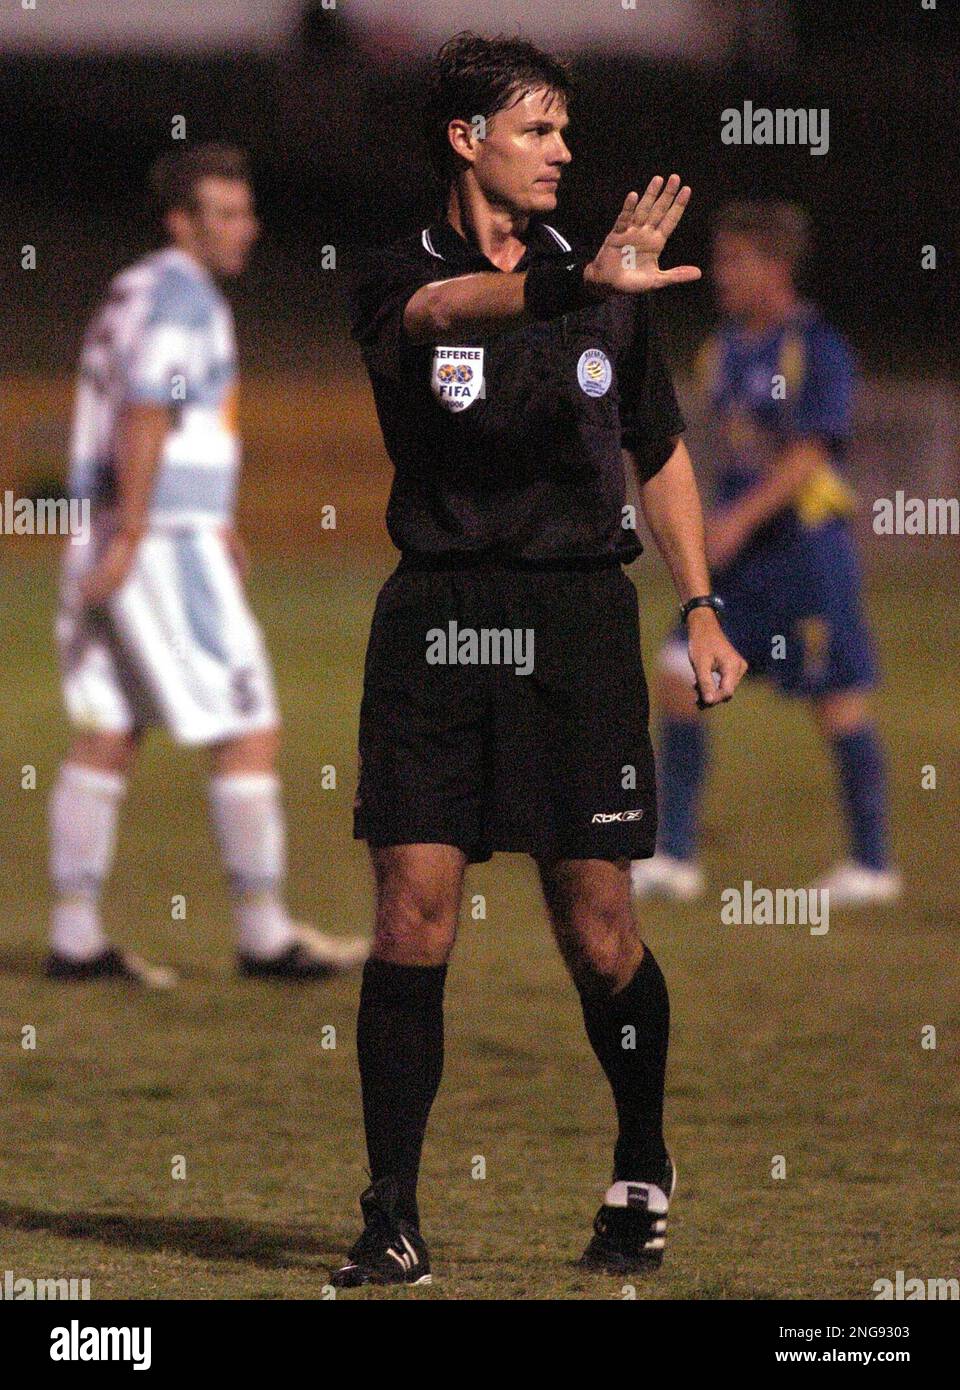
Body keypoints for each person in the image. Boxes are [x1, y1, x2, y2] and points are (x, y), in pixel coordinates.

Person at [332, 32, 746, 1286]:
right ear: (468, 142)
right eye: (538, 130)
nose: (565, 150)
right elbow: (449, 311)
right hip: (439, 623)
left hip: (577, 625)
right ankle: (392, 1214)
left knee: (601, 931)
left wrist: (702, 603)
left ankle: (638, 1168)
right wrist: (586, 288)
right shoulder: (398, 266)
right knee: (410, 913)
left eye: (567, 130)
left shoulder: (607, 281)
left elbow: (657, 451)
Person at [48, 142, 367, 986]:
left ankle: (75, 936)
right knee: (247, 726)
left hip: (129, 530)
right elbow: (149, 407)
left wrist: (185, 520)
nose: (245, 228)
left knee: (109, 729)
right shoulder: (185, 296)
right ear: (180, 222)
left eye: (246, 209)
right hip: (156, 544)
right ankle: (264, 934)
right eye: (222, 213)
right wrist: (149, 528)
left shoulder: (134, 288)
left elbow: (147, 408)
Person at [633, 202, 901, 906]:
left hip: (806, 553)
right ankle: (676, 856)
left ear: (775, 267)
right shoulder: (721, 350)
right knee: (676, 672)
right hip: (741, 558)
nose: (720, 275)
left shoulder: (815, 347)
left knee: (837, 701)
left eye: (735, 261)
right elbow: (734, 451)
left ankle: (872, 867)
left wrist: (740, 517)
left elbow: (813, 453)